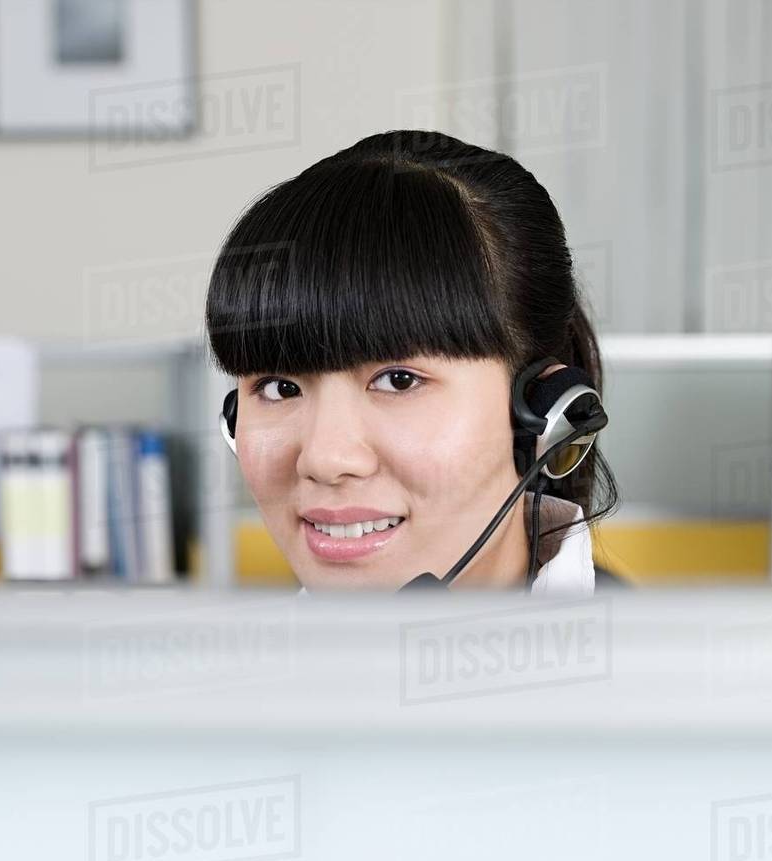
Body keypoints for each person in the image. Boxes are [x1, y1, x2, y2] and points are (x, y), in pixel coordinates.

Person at [204, 130, 620, 594]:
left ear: (546, 422)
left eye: (398, 380)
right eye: (280, 388)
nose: (325, 459)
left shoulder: (648, 639)